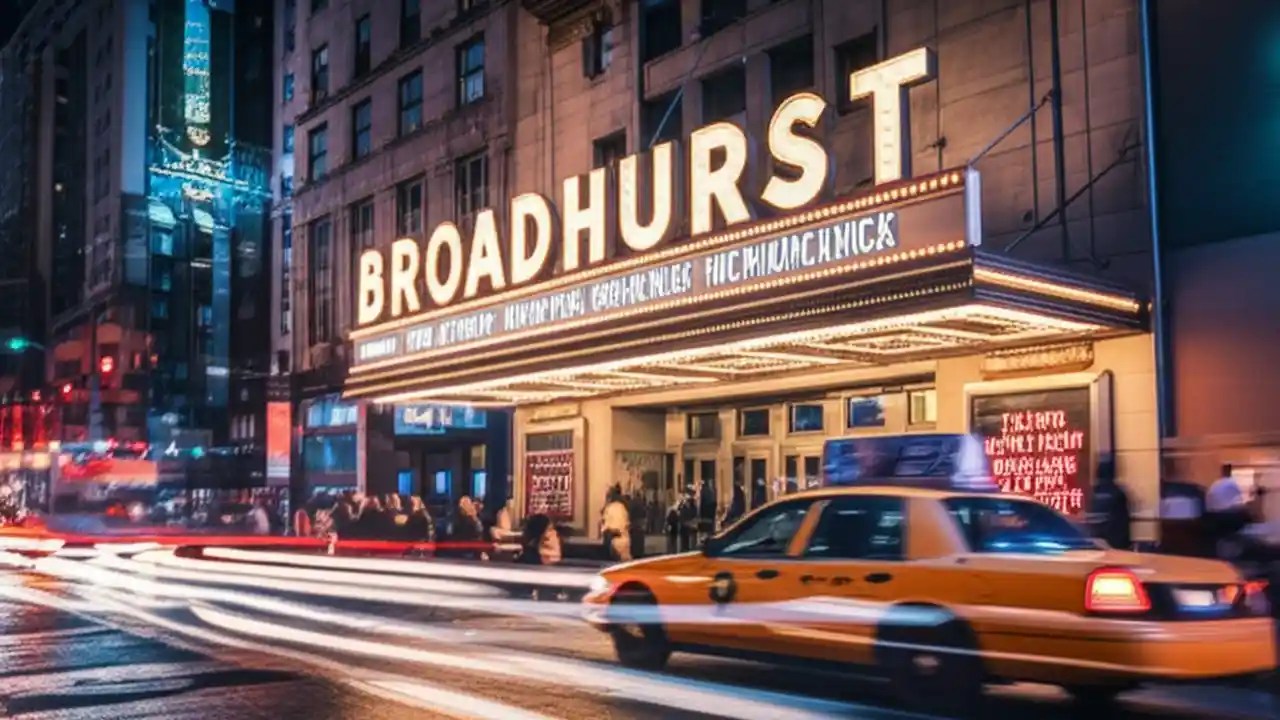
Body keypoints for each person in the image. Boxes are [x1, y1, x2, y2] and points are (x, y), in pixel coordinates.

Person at [1088, 457, 1131, 550]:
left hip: (1093, 543)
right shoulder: (1118, 494)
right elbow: (1122, 525)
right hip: (1113, 545)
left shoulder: (1092, 493)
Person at [601, 485, 631, 561]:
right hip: (624, 539)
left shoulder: (609, 508)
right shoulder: (623, 507)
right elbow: (627, 524)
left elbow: (606, 527)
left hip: (614, 540)